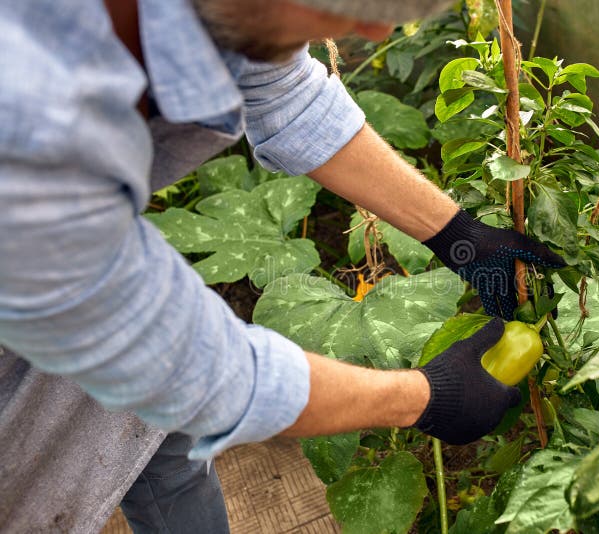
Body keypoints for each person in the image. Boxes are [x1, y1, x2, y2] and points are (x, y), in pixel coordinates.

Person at [0, 0, 565, 531]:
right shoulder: (29, 114)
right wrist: (424, 396)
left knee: (159, 442)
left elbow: (284, 94)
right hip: (45, 299)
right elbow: (188, 368)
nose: (374, 32)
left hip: (65, 280)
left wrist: (458, 235)